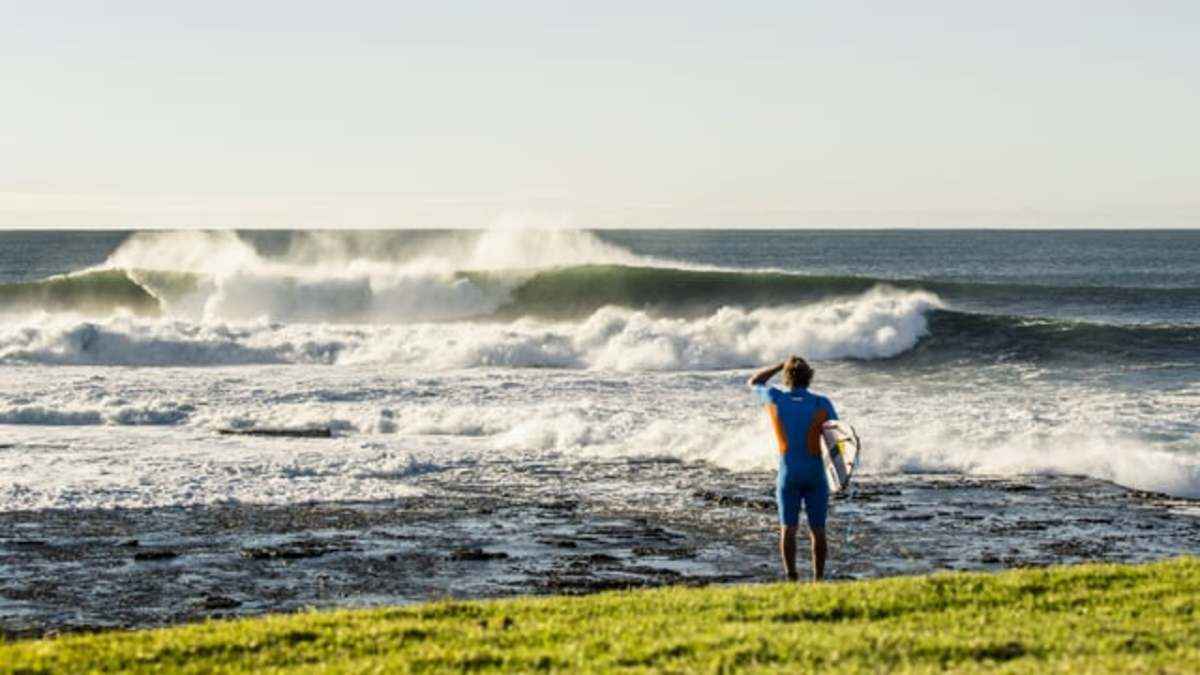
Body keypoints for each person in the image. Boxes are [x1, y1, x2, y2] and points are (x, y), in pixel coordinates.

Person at [747, 356, 838, 582]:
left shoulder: (776, 399)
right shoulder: (822, 403)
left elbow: (754, 382)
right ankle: (818, 580)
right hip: (816, 474)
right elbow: (837, 440)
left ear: (787, 377)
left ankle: (792, 577)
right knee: (818, 530)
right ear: (810, 377)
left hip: (788, 474)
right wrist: (841, 474)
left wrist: (779, 366)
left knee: (788, 528)